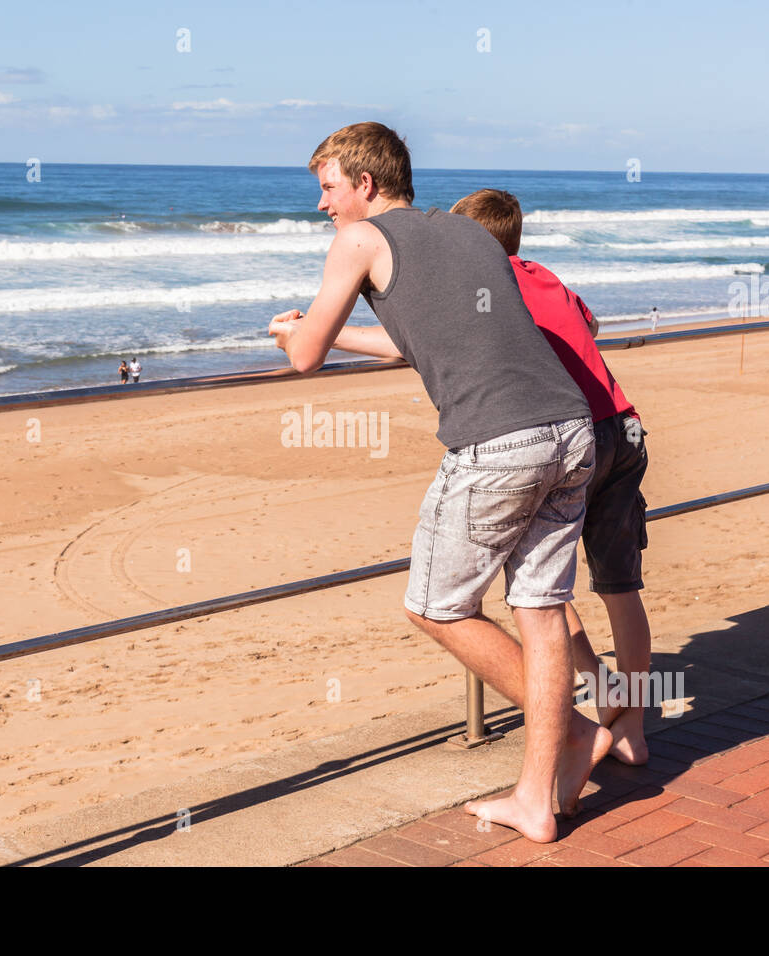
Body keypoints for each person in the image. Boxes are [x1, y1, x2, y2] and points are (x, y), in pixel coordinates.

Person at [267, 122, 612, 842]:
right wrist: (330, 333)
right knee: (542, 610)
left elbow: (303, 360)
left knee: (437, 605)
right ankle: (536, 799)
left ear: (364, 183)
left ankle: (575, 732)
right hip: (570, 430)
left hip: (499, 443)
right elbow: (415, 340)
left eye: (329, 188)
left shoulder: (360, 240)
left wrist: (292, 333)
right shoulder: (470, 236)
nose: (324, 205)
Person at [450, 189, 654, 768]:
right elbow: (587, 320)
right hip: (624, 425)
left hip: (569, 437)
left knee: (537, 578)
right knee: (621, 588)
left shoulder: (488, 292)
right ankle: (632, 726)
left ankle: (596, 680)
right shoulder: (543, 274)